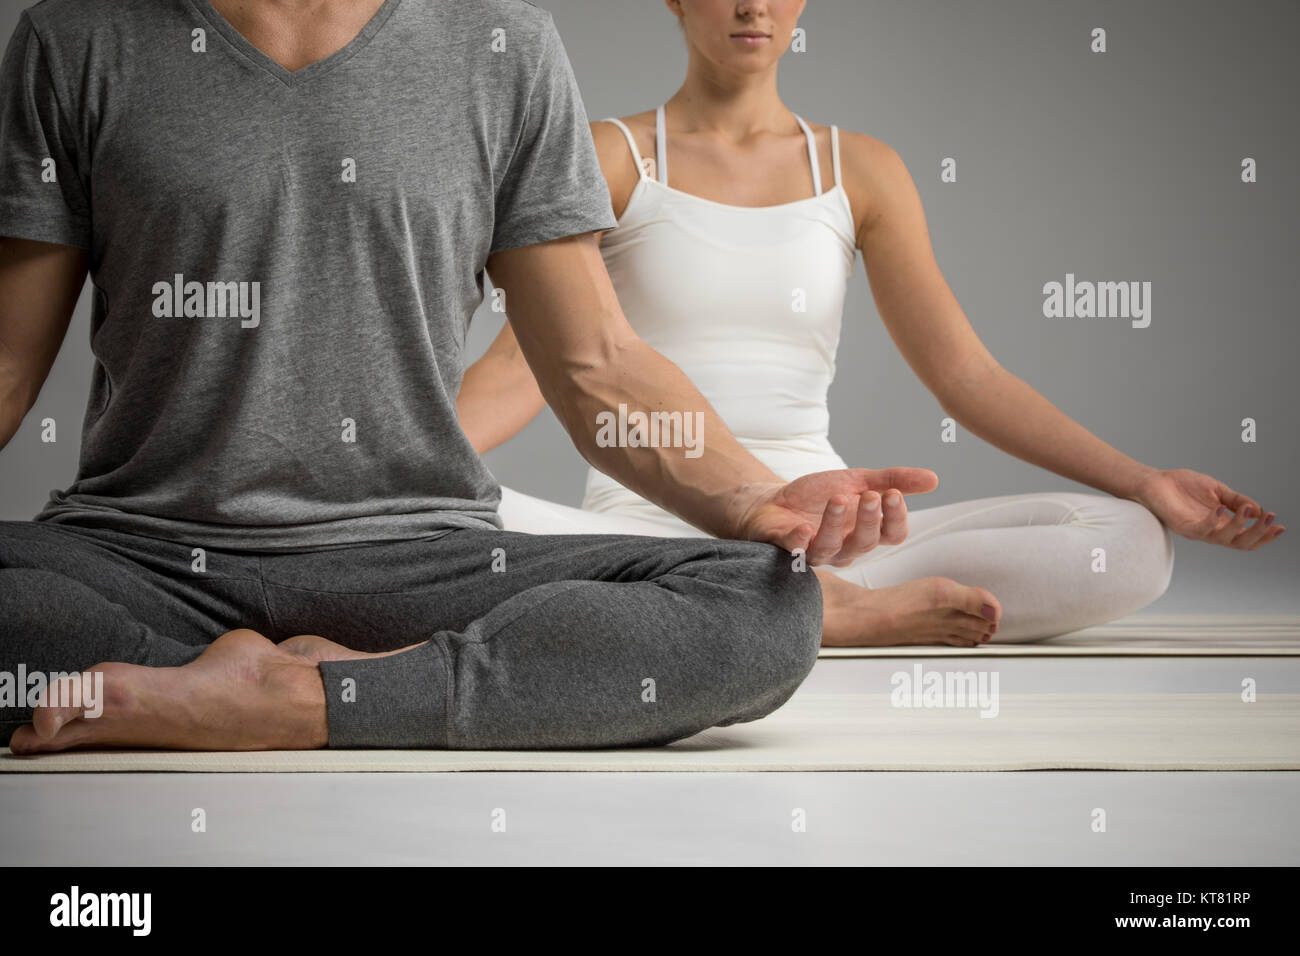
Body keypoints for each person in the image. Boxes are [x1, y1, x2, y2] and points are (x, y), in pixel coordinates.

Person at [0, 0, 935, 754]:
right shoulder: (75, 39)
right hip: (141, 553)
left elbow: (595, 362)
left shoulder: (502, 46)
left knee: (763, 609)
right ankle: (337, 687)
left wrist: (757, 503)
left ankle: (268, 702)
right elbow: (9, 361)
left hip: (418, 559)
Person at [457, 0, 1284, 647]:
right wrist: (374, 483)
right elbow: (536, 366)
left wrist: (1143, 481)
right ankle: (812, 609)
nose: (753, 6)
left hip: (839, 529)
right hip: (640, 527)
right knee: (433, 519)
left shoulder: (861, 170)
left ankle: (770, 601)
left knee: (1130, 541)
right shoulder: (608, 155)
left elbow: (968, 376)